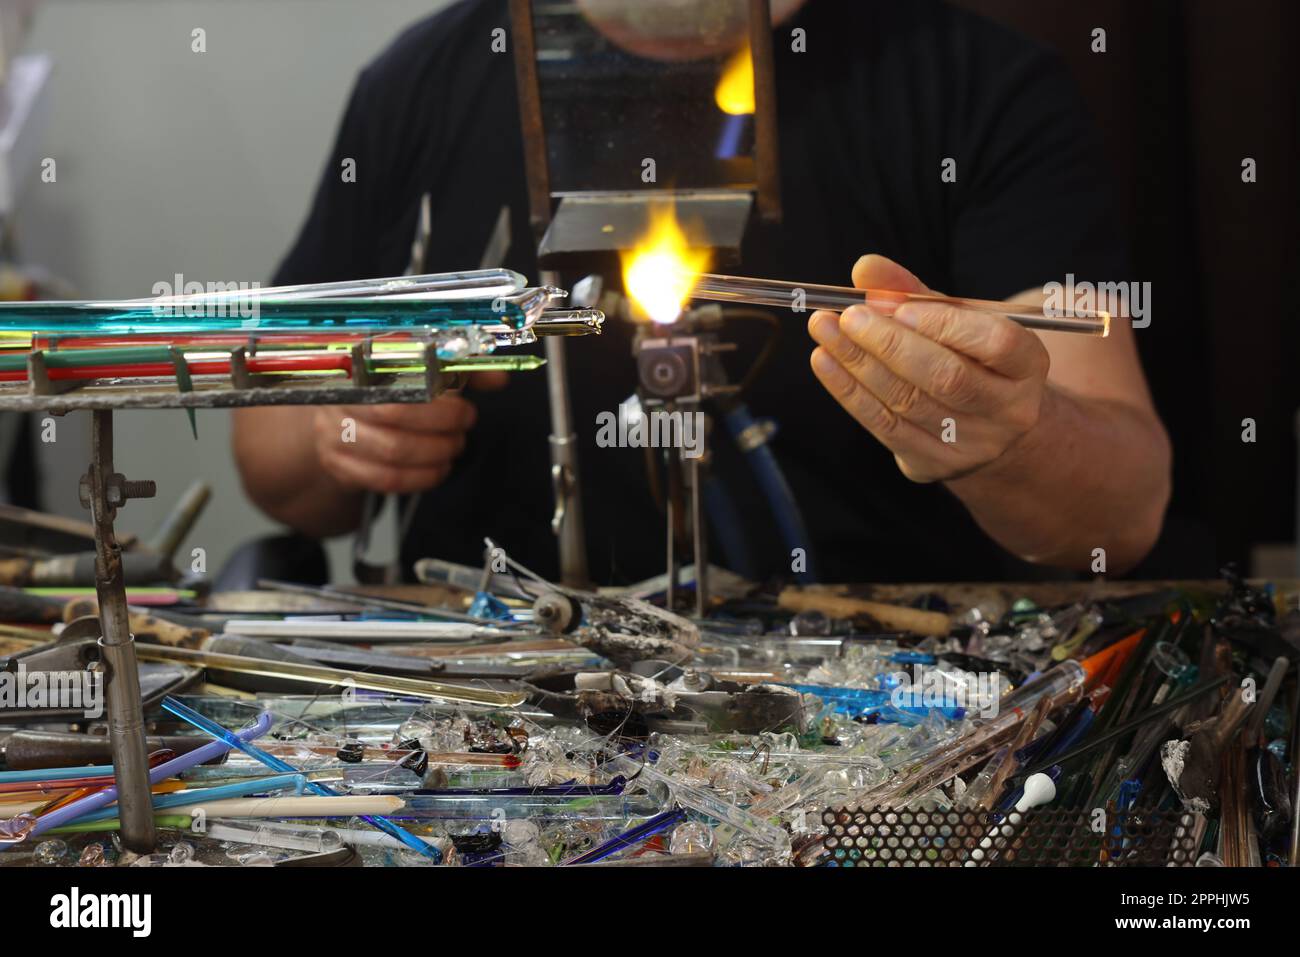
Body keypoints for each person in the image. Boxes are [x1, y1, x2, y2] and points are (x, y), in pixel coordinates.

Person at [233, 0, 1170, 585]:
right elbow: (267, 454)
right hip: (499, 710)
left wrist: (1005, 433)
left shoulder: (976, 86)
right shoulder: (422, 84)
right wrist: (341, 427)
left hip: (870, 707)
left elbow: (1122, 512)